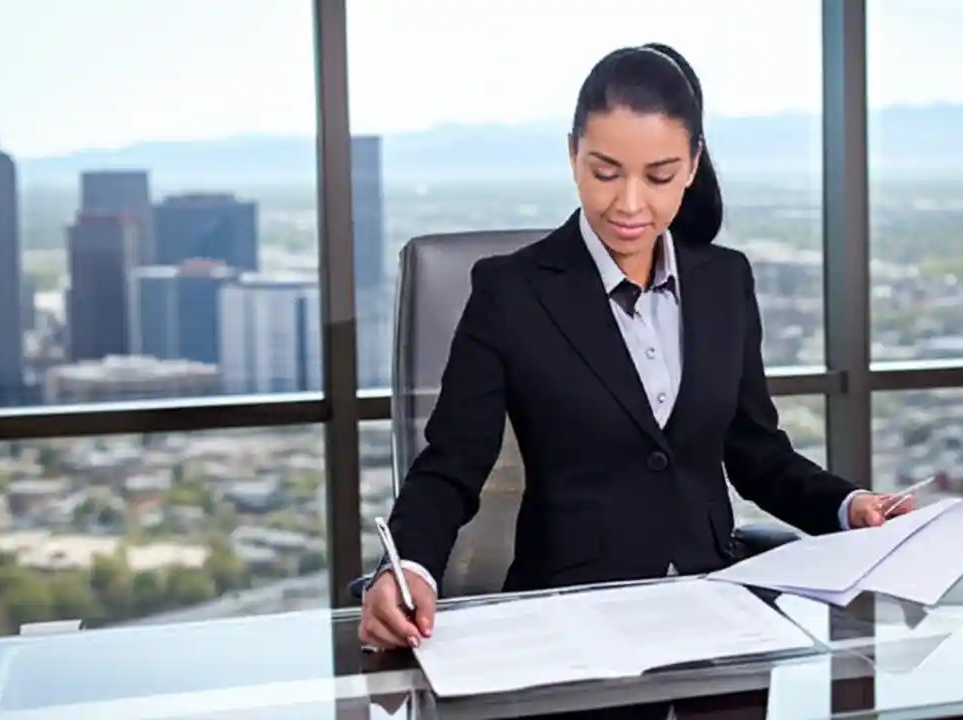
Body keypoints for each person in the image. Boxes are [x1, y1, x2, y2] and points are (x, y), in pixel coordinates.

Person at [359, 42, 914, 651]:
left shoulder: (725, 282)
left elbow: (756, 452)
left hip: (717, 620)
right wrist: (407, 565)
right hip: (569, 627)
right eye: (605, 172)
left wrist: (849, 504)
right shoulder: (509, 291)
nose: (628, 204)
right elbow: (449, 465)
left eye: (659, 176)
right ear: (573, 155)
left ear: (693, 164)